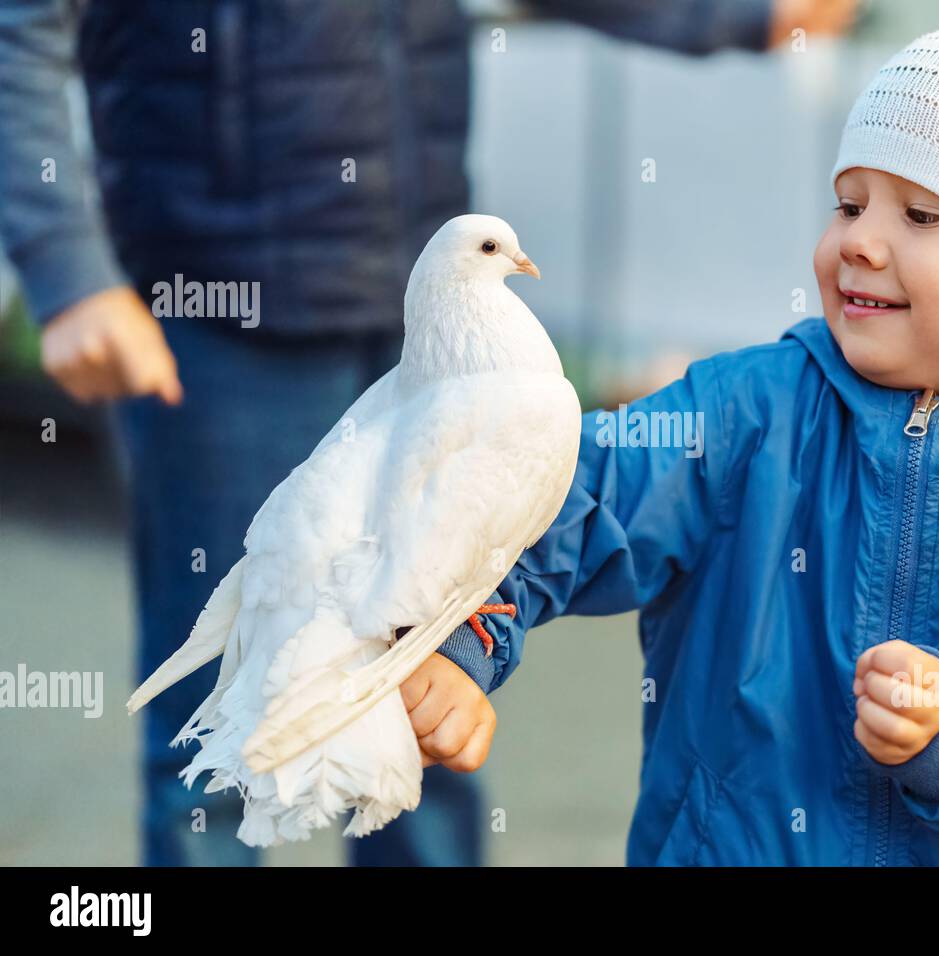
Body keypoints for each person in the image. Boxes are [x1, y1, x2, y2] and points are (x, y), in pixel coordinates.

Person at [0, 0, 856, 867]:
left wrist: (740, 9)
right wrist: (66, 266)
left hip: (419, 307)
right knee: (241, 710)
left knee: (427, 705)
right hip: (225, 308)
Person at [402, 20, 939, 865]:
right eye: (849, 203)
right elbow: (557, 497)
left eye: (920, 213)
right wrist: (465, 639)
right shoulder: (749, 412)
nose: (859, 242)